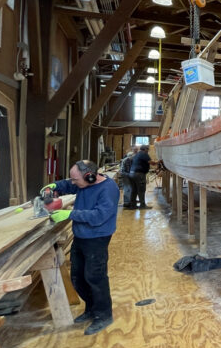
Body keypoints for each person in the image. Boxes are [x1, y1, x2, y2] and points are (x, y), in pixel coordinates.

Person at [44, 160, 119, 335]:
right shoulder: (83, 183)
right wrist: (53, 185)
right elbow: (68, 185)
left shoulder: (109, 189)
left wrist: (69, 214)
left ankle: (104, 314)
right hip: (81, 235)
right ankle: (91, 308)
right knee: (78, 277)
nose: (73, 182)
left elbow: (99, 215)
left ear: (90, 176)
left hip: (97, 237)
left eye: (76, 179)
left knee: (95, 277)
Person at [128, 144, 153, 209]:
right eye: (147, 149)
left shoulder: (137, 154)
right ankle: (142, 205)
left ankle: (132, 205)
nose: (148, 151)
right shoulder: (144, 154)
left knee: (134, 190)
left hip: (132, 173)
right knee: (141, 190)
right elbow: (151, 162)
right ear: (145, 149)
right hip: (139, 174)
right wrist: (158, 162)